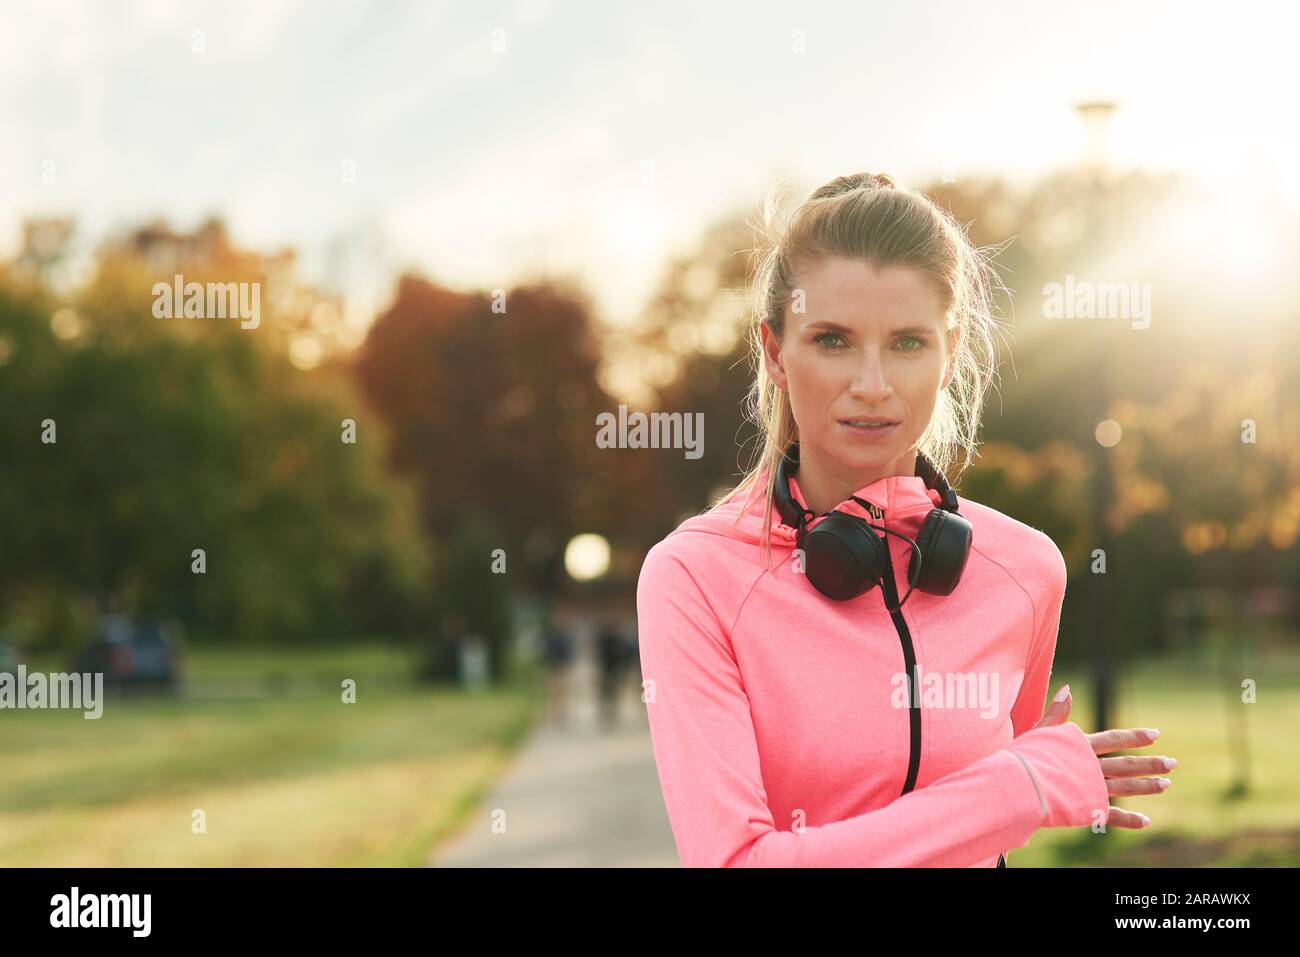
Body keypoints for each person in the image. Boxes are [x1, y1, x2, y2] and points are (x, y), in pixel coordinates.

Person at [635, 171, 1177, 867]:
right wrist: (1020, 786)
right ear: (774, 351)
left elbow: (978, 834)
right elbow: (736, 861)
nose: (872, 384)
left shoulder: (1025, 569)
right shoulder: (694, 576)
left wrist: (1009, 794)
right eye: (832, 340)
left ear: (950, 351)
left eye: (908, 342)